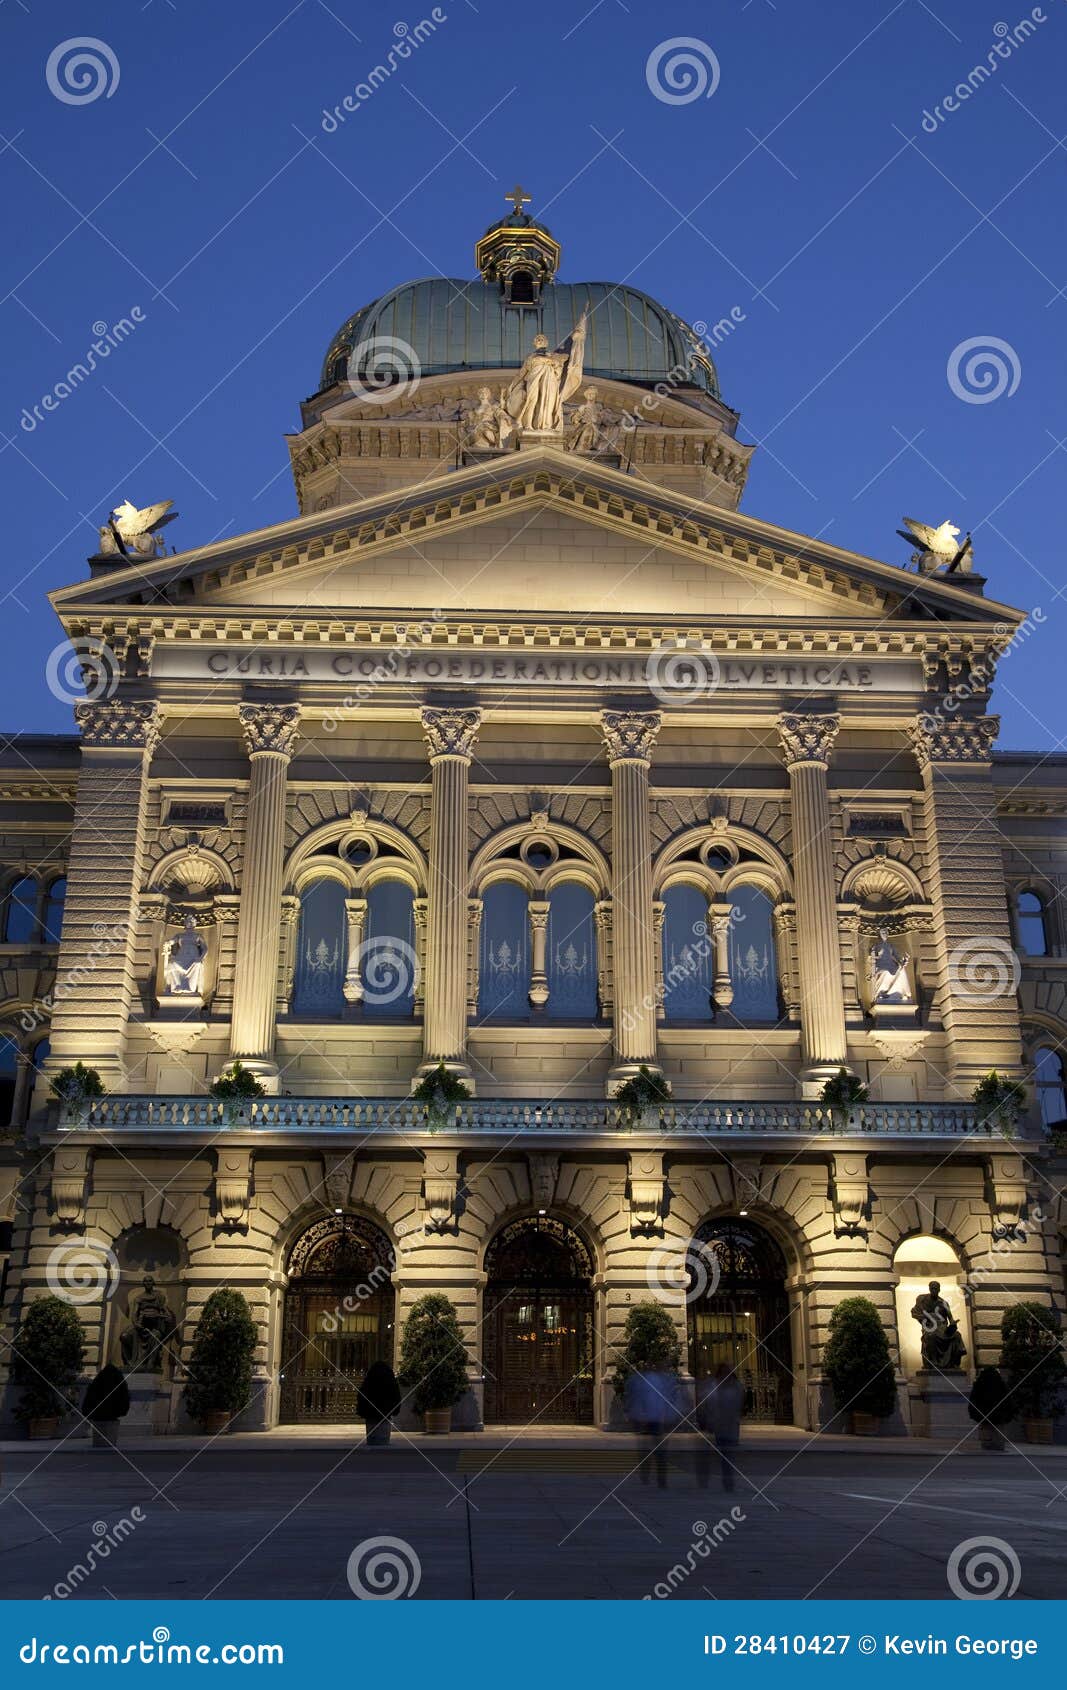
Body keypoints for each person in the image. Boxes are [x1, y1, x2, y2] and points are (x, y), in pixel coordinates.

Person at [624, 1366, 678, 1489]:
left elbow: (632, 1397)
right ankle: (656, 1476)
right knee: (654, 1450)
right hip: (651, 1419)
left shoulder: (640, 1379)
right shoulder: (657, 1379)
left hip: (652, 1419)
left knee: (649, 1450)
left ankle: (651, 1475)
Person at [695, 1363, 744, 1492]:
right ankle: (707, 1480)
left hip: (729, 1428)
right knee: (716, 1455)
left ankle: (727, 1482)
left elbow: (738, 1406)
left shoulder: (735, 1387)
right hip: (716, 1426)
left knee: (726, 1456)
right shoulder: (715, 1387)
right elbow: (706, 1403)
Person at [356, 1360, 401, 1447]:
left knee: (373, 1437)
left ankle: (373, 1439)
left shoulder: (369, 1381)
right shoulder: (390, 1381)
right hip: (385, 1414)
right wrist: (395, 1410)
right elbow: (396, 1397)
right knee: (383, 1440)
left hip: (371, 1415)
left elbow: (361, 1395)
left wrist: (362, 1410)